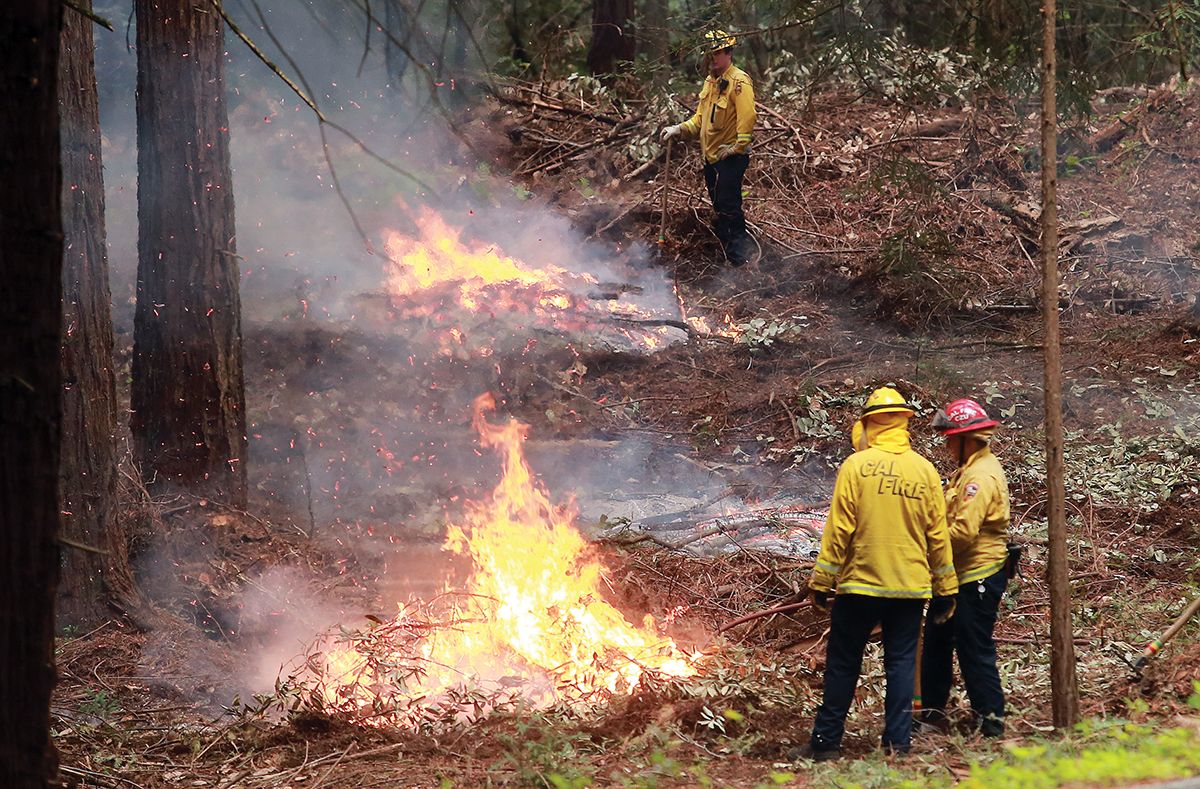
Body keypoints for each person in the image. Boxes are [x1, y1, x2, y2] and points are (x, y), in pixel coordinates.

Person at [794, 387, 958, 761]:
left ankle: (826, 744)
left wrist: (821, 581)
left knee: (842, 664)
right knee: (901, 664)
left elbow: (838, 531)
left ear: (868, 424)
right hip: (910, 589)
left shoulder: (856, 467)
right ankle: (898, 745)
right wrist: (946, 589)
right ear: (904, 422)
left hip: (860, 586)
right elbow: (939, 536)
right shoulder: (925, 470)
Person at [919, 398, 1010, 738]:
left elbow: (962, 533)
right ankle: (931, 716)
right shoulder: (968, 470)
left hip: (977, 577)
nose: (945, 445)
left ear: (966, 438)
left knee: (974, 649)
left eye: (949, 438)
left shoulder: (980, 477)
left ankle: (991, 724)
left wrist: (925, 550)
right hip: (956, 577)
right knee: (937, 644)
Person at [661, 30, 756, 266]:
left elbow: (749, 116)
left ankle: (739, 262)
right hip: (712, 159)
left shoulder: (739, 82)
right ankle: (726, 252)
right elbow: (700, 120)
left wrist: (737, 147)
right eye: (709, 54)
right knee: (719, 207)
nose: (712, 58)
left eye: (717, 53)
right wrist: (680, 128)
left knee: (730, 208)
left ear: (729, 53)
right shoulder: (711, 82)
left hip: (730, 159)